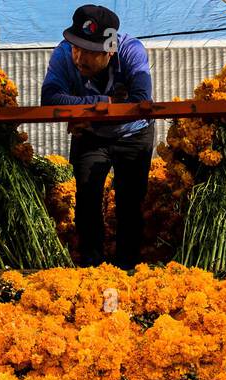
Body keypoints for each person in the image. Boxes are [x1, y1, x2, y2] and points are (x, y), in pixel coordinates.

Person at [42, 5, 154, 269]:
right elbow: (50, 98)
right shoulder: (62, 55)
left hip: (133, 133)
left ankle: (128, 267)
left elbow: (140, 101)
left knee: (130, 201)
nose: (79, 57)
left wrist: (81, 111)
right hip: (90, 135)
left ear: (111, 49)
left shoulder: (132, 51)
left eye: (90, 51)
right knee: (87, 198)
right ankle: (91, 266)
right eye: (76, 47)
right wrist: (103, 103)